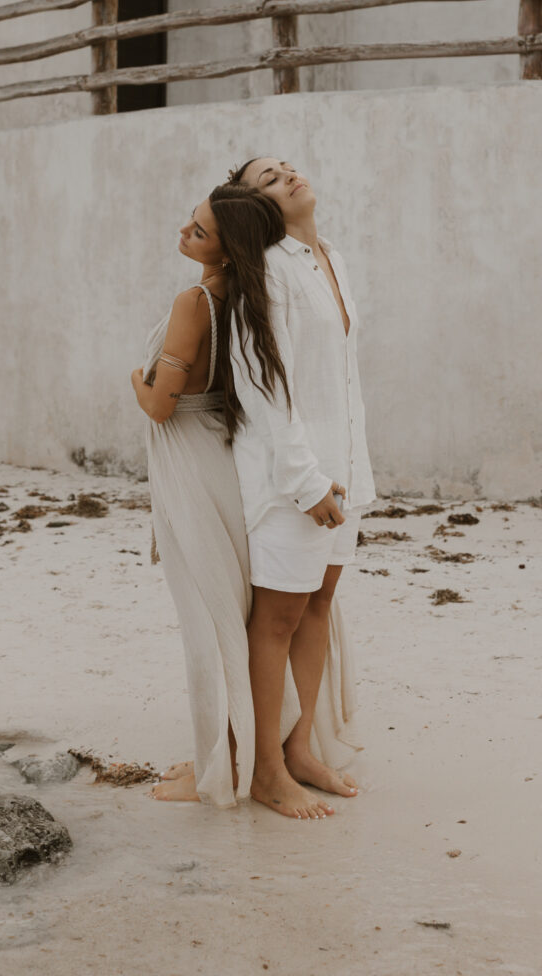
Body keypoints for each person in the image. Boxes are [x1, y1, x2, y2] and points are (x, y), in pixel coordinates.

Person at [131, 187, 357, 814]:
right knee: (238, 608)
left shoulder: (195, 301)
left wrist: (133, 379)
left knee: (211, 619)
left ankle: (231, 761)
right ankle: (245, 751)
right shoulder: (241, 302)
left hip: (191, 461)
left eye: (198, 231)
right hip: (224, 459)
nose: (185, 230)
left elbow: (160, 402)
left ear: (228, 253)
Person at [225, 156, 375, 821]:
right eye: (266, 178)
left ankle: (300, 747)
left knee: (319, 604)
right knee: (278, 616)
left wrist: (351, 471)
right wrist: (304, 480)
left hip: (343, 467)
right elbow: (262, 387)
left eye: (284, 165)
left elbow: (338, 377)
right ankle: (264, 770)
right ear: (254, 207)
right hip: (290, 478)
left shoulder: (331, 258)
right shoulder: (266, 269)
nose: (286, 173)